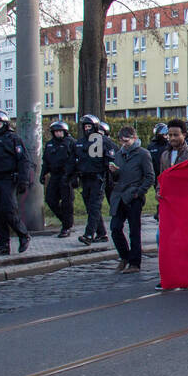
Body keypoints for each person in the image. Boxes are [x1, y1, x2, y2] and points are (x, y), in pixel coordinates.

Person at [0, 110, 32, 256]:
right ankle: (3, 245)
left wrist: (24, 181)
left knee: (9, 211)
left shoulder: (13, 139)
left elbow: (23, 160)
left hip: (9, 179)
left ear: (5, 124)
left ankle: (23, 235)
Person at [108, 126, 155, 274]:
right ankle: (125, 256)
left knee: (134, 231)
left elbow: (150, 177)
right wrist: (114, 173)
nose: (124, 144)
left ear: (134, 138)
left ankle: (135, 263)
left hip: (134, 196)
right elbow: (116, 178)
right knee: (115, 228)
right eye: (122, 141)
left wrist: (139, 192)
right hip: (119, 196)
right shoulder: (119, 154)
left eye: (127, 140)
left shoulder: (143, 154)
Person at [73, 114, 116, 243]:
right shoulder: (80, 142)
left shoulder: (103, 141)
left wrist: (109, 175)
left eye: (89, 126)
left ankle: (89, 234)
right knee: (90, 207)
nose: (87, 129)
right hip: (85, 178)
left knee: (94, 206)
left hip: (99, 178)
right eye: (85, 126)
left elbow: (111, 159)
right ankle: (102, 233)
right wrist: (72, 176)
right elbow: (74, 161)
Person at [41, 120, 77, 236]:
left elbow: (75, 161)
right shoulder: (50, 144)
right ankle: (66, 221)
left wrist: (73, 176)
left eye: (60, 131)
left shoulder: (71, 143)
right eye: (56, 132)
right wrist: (43, 174)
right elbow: (46, 161)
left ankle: (66, 227)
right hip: (54, 175)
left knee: (67, 202)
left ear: (65, 132)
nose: (58, 134)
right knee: (50, 200)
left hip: (67, 176)